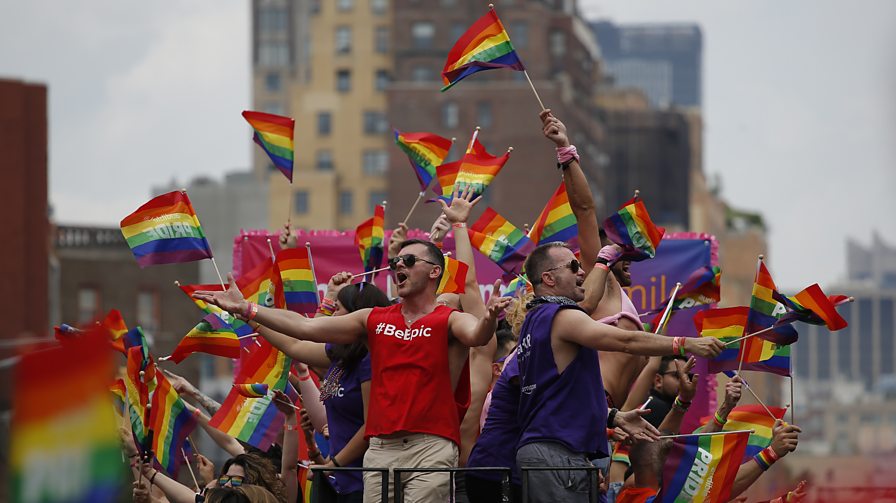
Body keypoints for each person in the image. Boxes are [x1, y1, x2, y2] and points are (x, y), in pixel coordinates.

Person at [193, 190, 511, 503]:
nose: (398, 264)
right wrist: (247, 310)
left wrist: (489, 315)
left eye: (409, 260)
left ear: (434, 272)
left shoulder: (449, 320)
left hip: (430, 446)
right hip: (381, 450)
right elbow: (305, 328)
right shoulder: (373, 318)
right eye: (397, 259)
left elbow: (479, 334)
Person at [514, 241, 725, 502]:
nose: (582, 272)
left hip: (554, 453)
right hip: (557, 454)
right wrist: (687, 343)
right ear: (548, 278)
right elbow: (626, 341)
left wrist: (614, 416)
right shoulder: (560, 315)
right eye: (573, 266)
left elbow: (559, 397)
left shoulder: (535, 321)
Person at [540, 109, 657, 410]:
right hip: (581, 406)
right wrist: (566, 150)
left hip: (603, 418)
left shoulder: (621, 299)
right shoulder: (600, 280)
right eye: (624, 251)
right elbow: (584, 209)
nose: (629, 257)